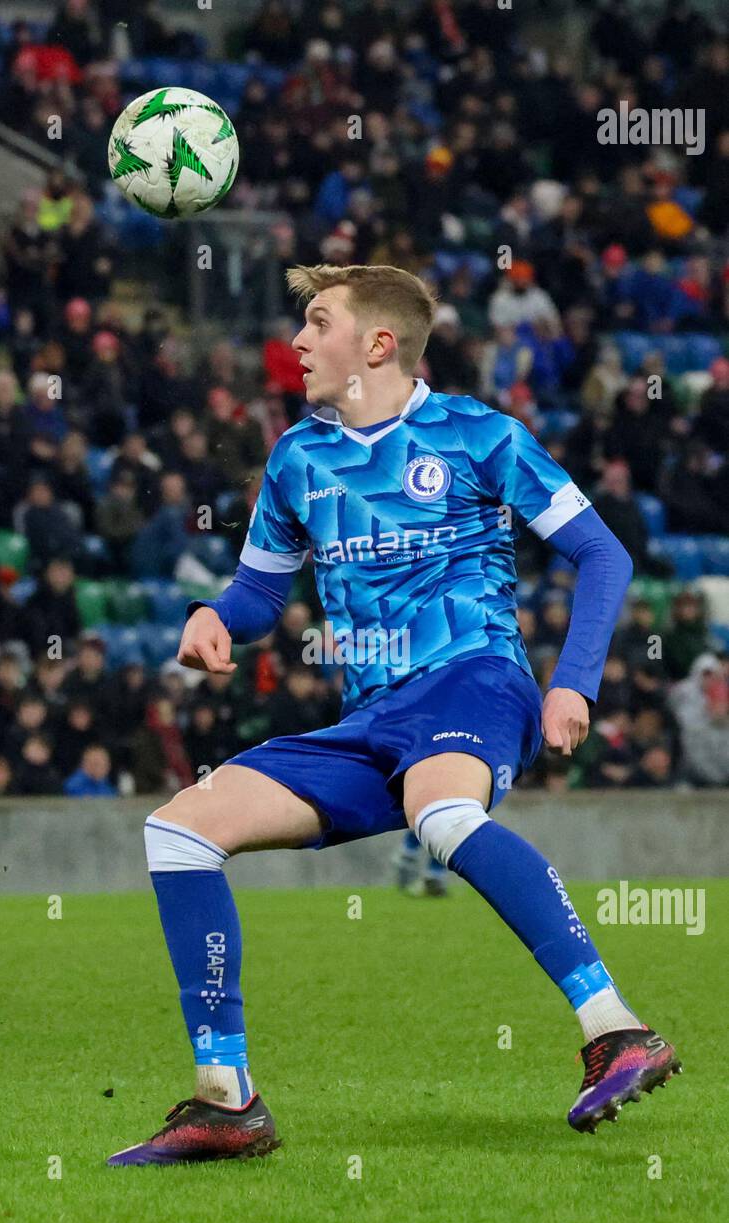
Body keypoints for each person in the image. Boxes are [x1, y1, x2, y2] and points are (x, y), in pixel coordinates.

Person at [106, 263, 680, 1168]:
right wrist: (217, 616)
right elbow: (260, 590)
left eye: (318, 322)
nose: (298, 341)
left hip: (472, 679)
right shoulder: (299, 456)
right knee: (178, 830)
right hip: (368, 716)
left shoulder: (478, 435)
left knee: (445, 815)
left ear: (377, 344)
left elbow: (600, 554)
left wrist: (573, 681)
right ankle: (228, 1101)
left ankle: (616, 1029)